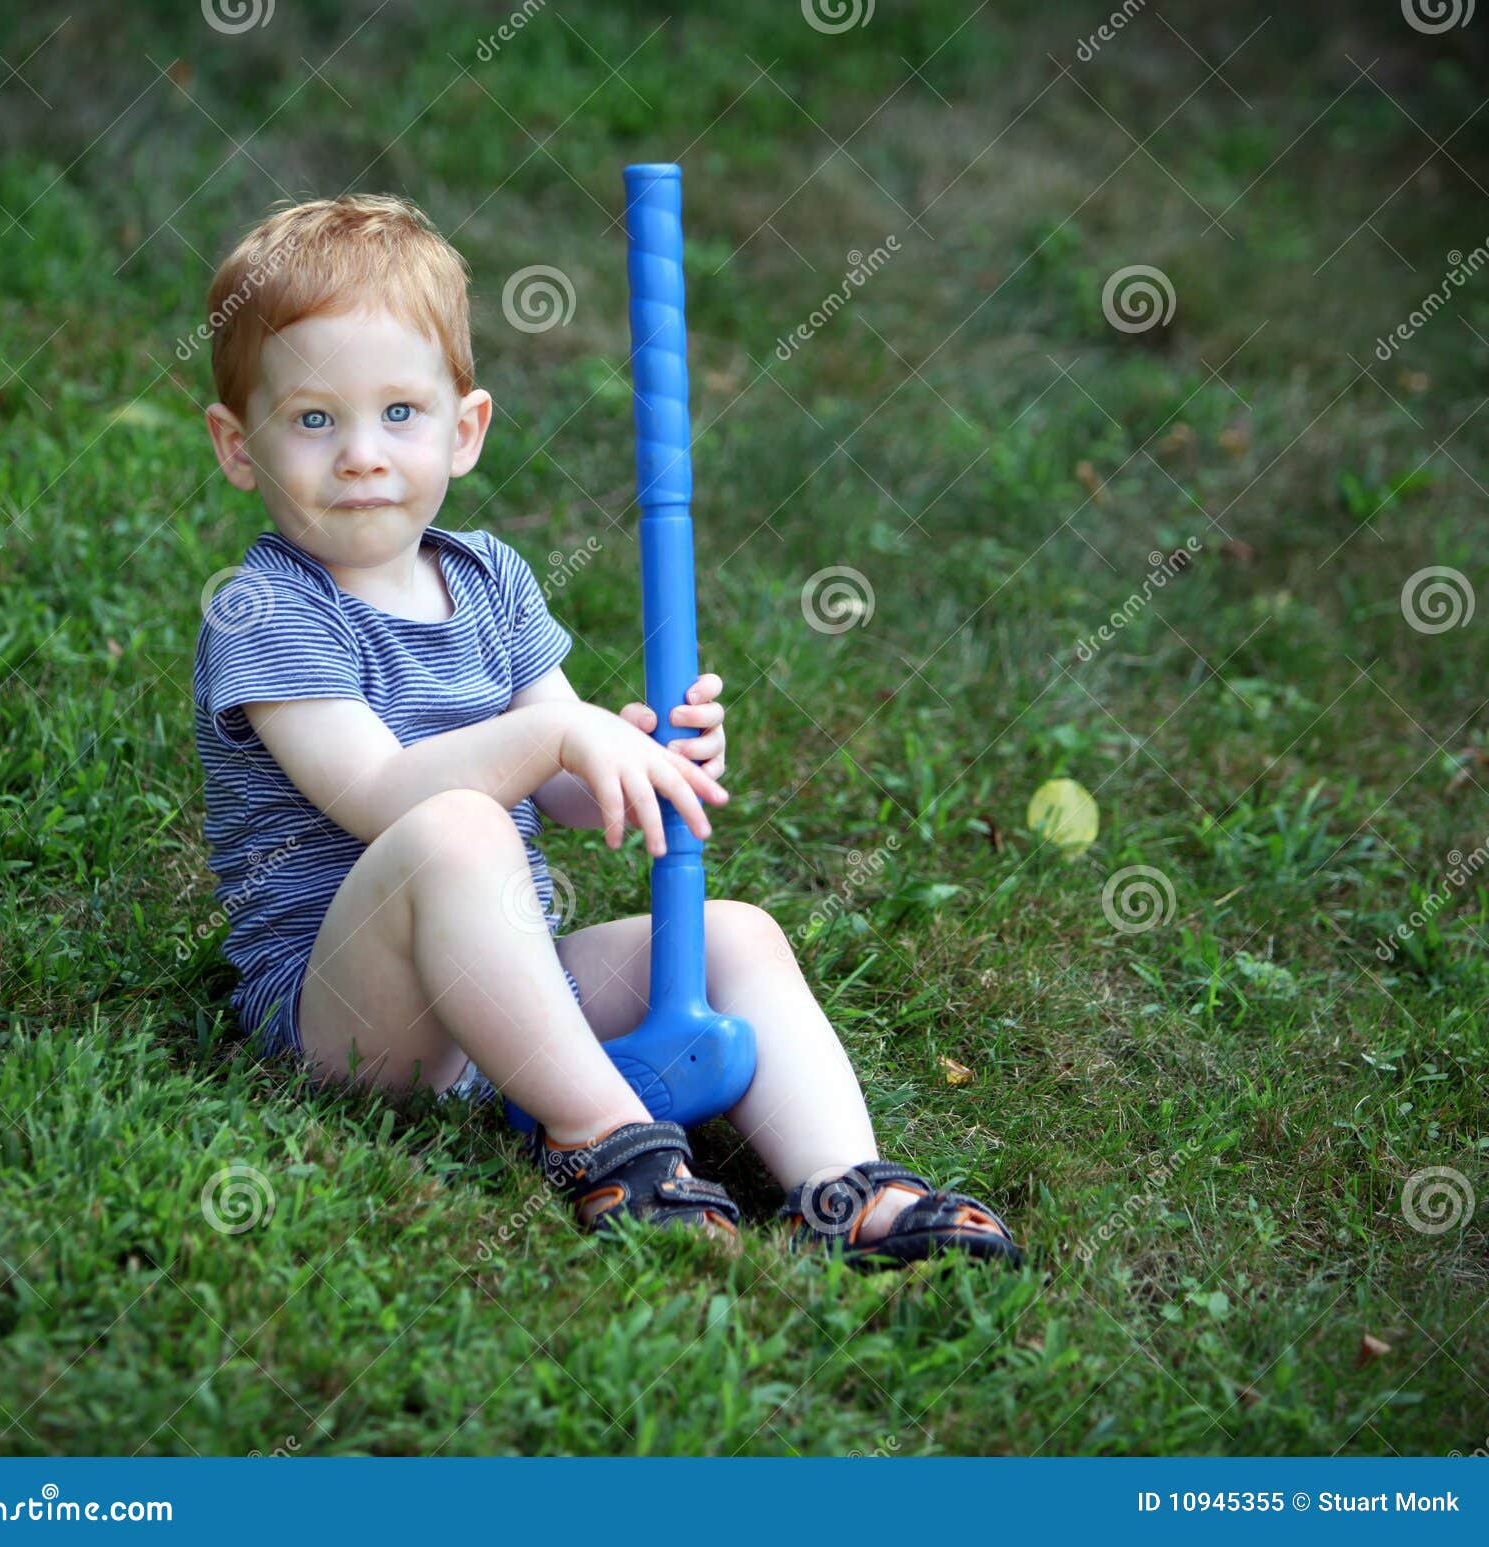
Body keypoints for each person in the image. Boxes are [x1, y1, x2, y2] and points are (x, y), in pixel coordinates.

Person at [190, 192, 1021, 1272]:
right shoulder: (266, 610)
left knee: (737, 935)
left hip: (506, 988)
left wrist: (636, 755)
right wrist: (555, 741)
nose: (361, 454)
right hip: (353, 1022)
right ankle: (604, 1140)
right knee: (455, 830)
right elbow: (379, 793)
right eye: (313, 419)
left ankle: (846, 1190)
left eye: (399, 412)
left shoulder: (487, 579)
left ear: (465, 427)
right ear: (235, 444)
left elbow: (568, 790)